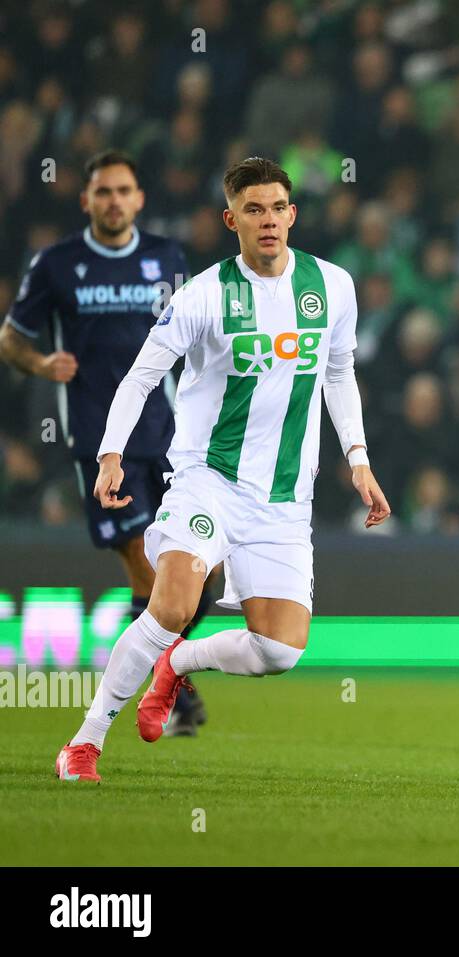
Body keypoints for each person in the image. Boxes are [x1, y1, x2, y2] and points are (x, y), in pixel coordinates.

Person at [55, 156, 391, 783]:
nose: (268, 221)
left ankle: (178, 666)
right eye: (254, 210)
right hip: (209, 478)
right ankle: (85, 742)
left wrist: (358, 459)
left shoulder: (333, 286)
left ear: (293, 214)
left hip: (286, 495)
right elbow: (142, 375)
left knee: (279, 650)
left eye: (278, 209)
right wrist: (110, 453)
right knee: (174, 602)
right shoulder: (204, 295)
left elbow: (339, 372)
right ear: (230, 218)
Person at [1, 149, 212, 735]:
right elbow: (10, 338)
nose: (114, 201)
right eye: (103, 191)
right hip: (101, 446)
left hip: (172, 442)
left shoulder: (166, 258)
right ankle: (168, 694)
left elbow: (197, 341)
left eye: (124, 191)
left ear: (139, 199)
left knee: (199, 575)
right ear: (86, 200)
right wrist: (43, 364)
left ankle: (163, 681)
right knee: (154, 574)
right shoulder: (56, 264)